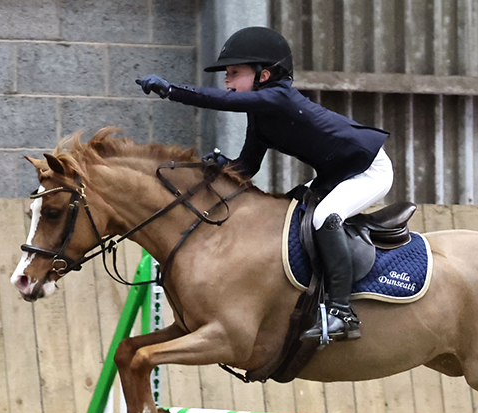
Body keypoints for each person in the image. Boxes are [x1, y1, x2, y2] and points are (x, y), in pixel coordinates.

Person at [136, 26, 392, 342]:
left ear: (264, 75)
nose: (226, 80)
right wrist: (220, 166)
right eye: (227, 74)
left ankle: (343, 314)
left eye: (234, 72)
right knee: (291, 214)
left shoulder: (279, 97)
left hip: (368, 169)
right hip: (335, 175)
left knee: (325, 218)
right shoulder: (260, 117)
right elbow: (247, 167)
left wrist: (171, 90)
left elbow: (218, 101)